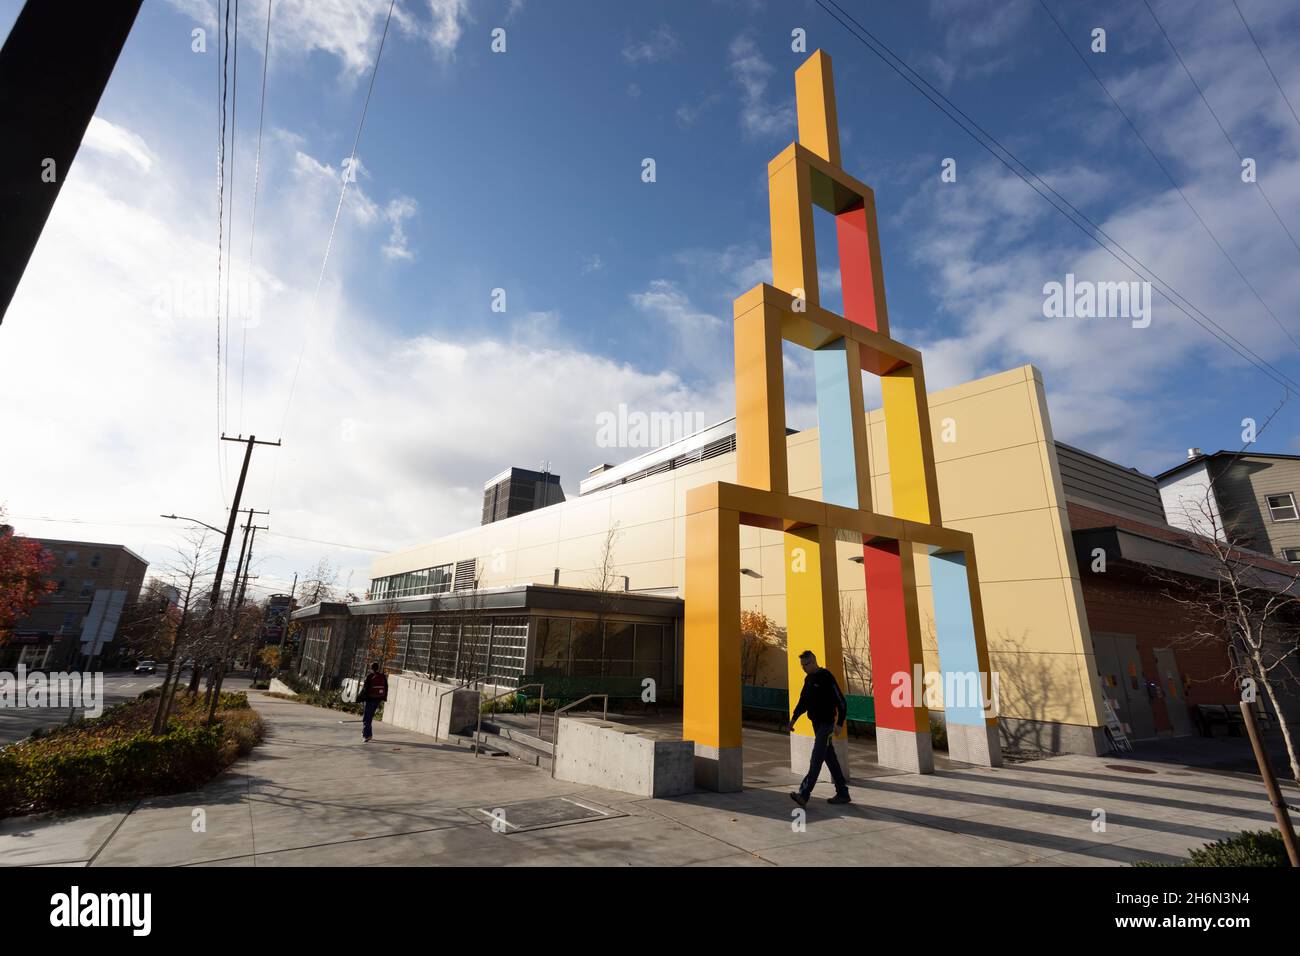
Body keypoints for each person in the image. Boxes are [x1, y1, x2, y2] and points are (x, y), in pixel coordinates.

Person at [788, 650, 850, 807]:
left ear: (813, 661)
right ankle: (842, 793)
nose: (803, 668)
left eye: (805, 664)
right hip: (816, 724)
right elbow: (803, 701)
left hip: (827, 725)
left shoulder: (826, 677)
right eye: (801, 665)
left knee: (816, 757)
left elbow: (841, 702)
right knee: (830, 758)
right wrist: (793, 719)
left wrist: (839, 724)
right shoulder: (808, 680)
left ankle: (804, 794)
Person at [360, 661, 388, 743]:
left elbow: (365, 689)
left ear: (371, 668)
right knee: (370, 716)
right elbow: (386, 687)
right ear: (378, 668)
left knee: (366, 718)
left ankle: (367, 735)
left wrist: (361, 698)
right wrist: (384, 698)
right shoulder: (383, 676)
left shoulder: (369, 676)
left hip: (370, 699)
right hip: (378, 699)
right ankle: (366, 733)